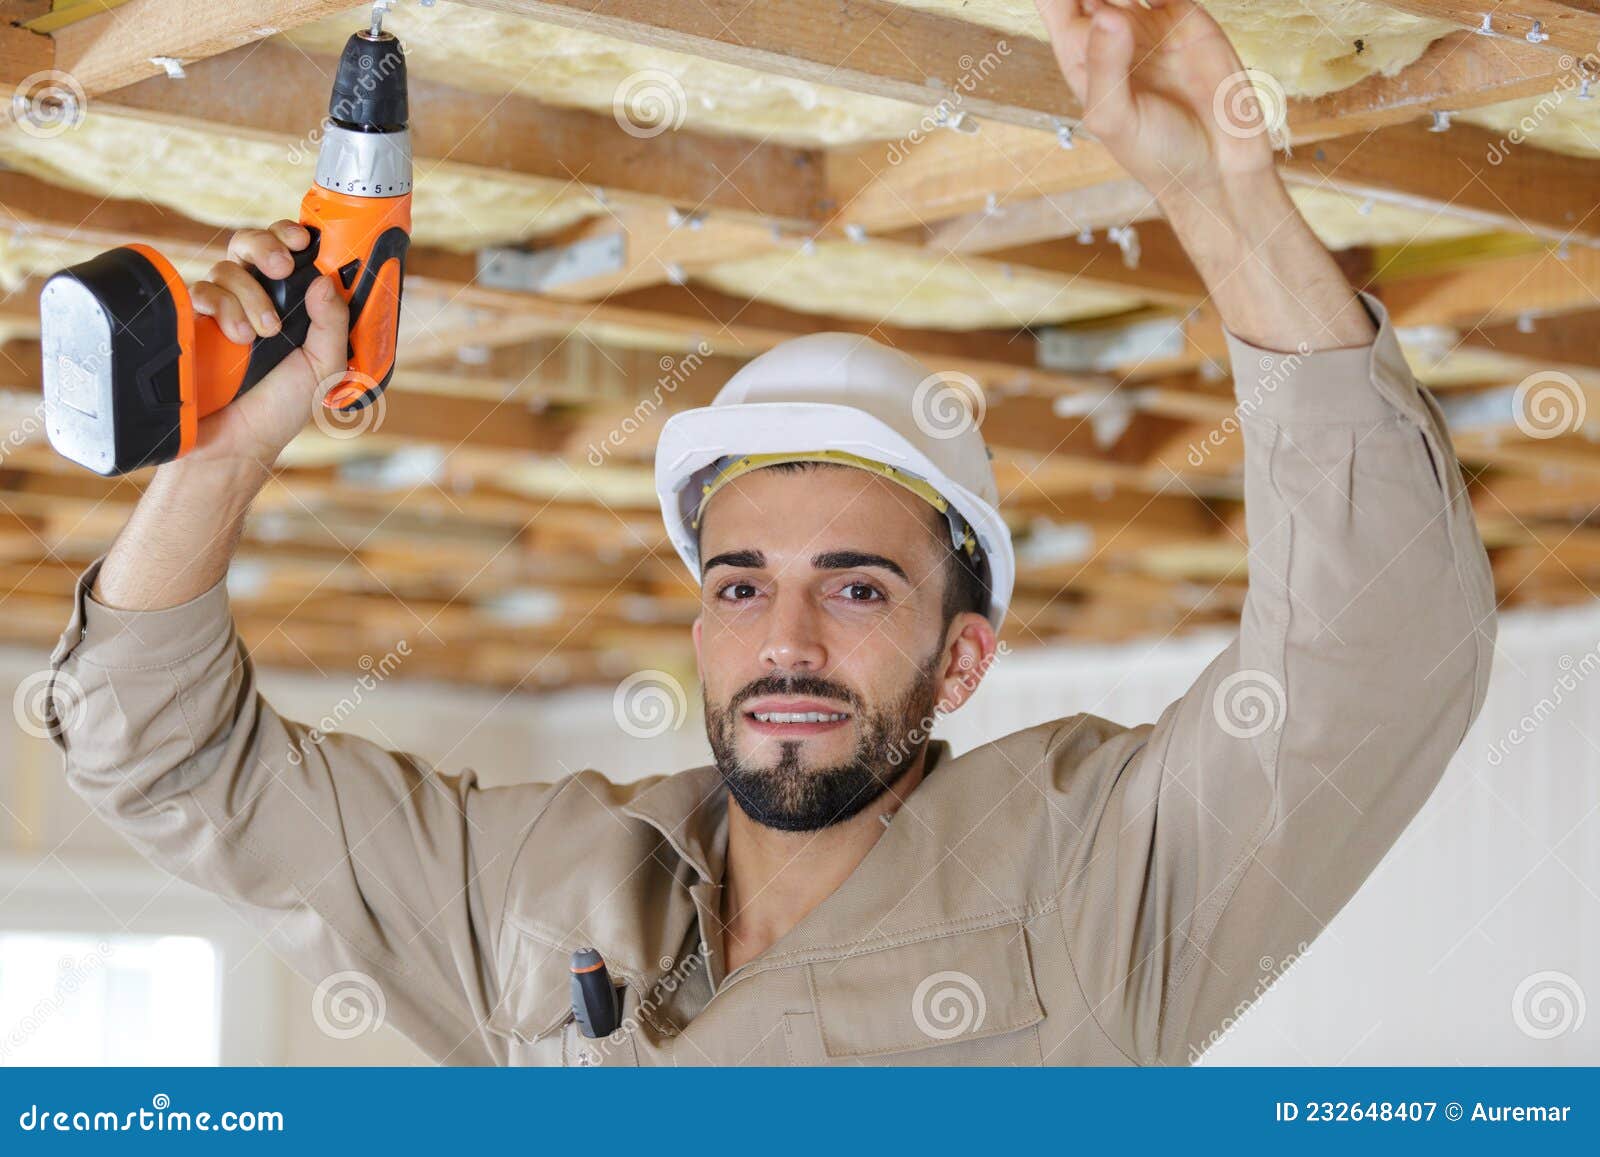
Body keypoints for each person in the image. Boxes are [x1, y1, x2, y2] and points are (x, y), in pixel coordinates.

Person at [45, 0, 1494, 1065]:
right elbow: (158, 752)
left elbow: (1381, 649)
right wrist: (225, 452)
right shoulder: (541, 888)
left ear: (964, 656)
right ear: (697, 621)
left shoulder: (1093, 884)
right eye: (742, 583)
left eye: (857, 588)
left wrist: (1216, 196)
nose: (784, 641)